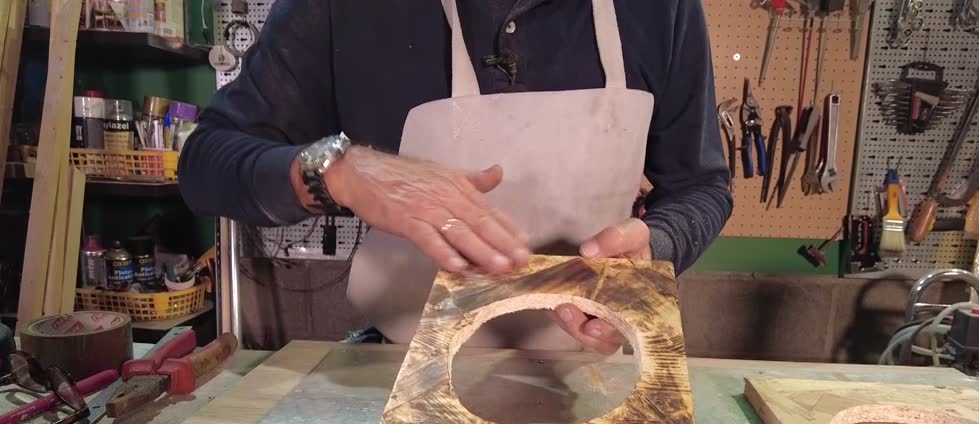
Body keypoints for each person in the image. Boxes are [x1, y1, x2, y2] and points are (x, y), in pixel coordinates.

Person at [180, 0, 732, 353]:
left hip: (591, 368)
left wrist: (655, 249)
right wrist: (339, 170)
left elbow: (701, 187)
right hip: (401, 372)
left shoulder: (662, 9)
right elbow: (205, 163)